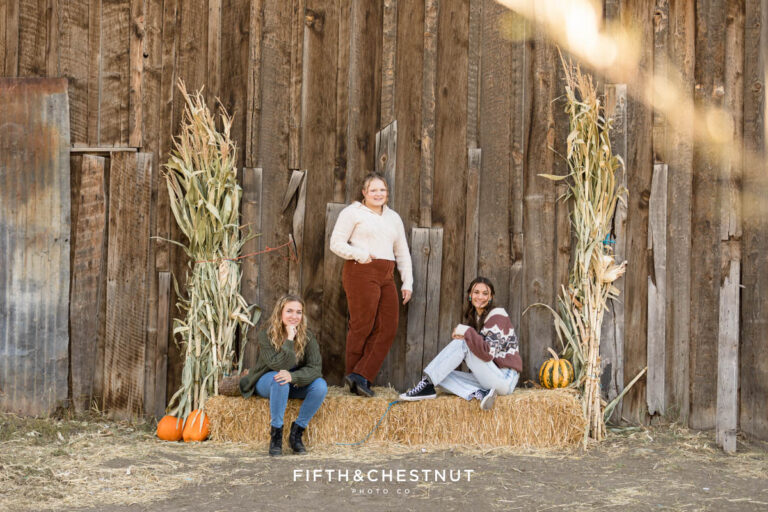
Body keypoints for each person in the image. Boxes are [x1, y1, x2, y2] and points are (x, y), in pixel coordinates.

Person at [330, 172, 413, 397]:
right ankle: (353, 380)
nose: (378, 194)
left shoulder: (393, 217)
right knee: (362, 325)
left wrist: (407, 282)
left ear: (387, 193)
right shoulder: (352, 212)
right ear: (364, 192)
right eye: (373, 190)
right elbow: (335, 243)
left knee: (388, 326)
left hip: (387, 275)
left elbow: (402, 251)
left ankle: (361, 374)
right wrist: (360, 254)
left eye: (382, 190)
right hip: (361, 270)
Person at [399, 277, 521, 410]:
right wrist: (467, 335)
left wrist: (466, 331)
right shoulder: (477, 318)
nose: (480, 297)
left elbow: (487, 353)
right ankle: (479, 393)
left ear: (491, 297)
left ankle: (426, 383)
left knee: (462, 343)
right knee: (440, 376)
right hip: (489, 378)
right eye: (476, 292)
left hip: (505, 378)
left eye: (485, 293)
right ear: (470, 295)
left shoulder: (498, 315)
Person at [239, 294, 328, 456]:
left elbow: (315, 369)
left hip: (293, 383)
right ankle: (276, 436)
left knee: (320, 385)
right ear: (280, 312)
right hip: (267, 381)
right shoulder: (266, 335)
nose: (294, 316)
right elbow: (279, 366)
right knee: (279, 379)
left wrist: (293, 377)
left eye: (299, 312)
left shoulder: (308, 337)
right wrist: (290, 339)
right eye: (289, 311)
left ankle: (296, 434)